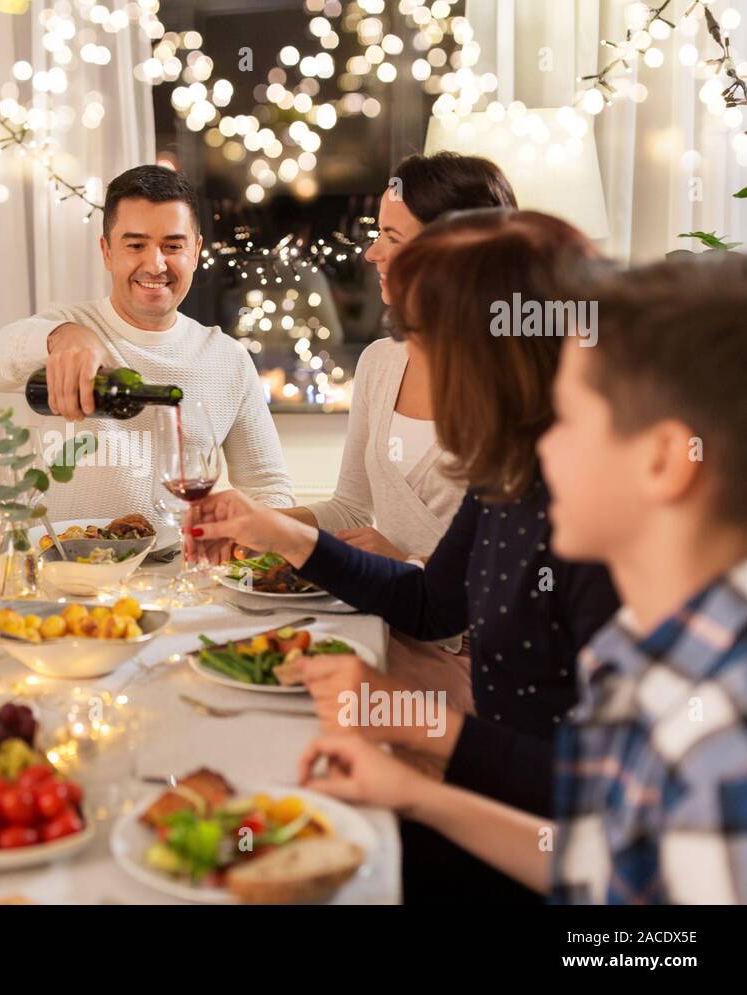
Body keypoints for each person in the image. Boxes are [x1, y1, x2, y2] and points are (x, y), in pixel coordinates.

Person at [189, 210, 621, 902]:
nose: (411, 360)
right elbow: (431, 603)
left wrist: (414, 719)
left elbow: (613, 790)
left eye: (421, 337)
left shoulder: (599, 515)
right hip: (493, 800)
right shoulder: (511, 462)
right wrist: (282, 532)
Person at [299, 253, 747, 903]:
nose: (543, 448)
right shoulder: (645, 647)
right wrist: (415, 796)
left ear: (664, 461)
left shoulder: (714, 735)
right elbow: (598, 861)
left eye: (566, 421)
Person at [291, 153, 519, 713]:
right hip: (382, 625)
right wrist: (260, 525)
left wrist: (409, 564)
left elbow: (516, 586)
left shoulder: (519, 387)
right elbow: (351, 507)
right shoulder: (380, 363)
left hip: (478, 662)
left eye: (392, 236)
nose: (372, 253)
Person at [0, 164, 293, 523]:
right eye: (136, 245)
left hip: (174, 572)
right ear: (107, 252)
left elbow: (267, 488)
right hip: (62, 568)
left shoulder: (226, 359)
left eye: (173, 246)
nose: (155, 265)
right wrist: (62, 336)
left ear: (197, 251)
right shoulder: (65, 329)